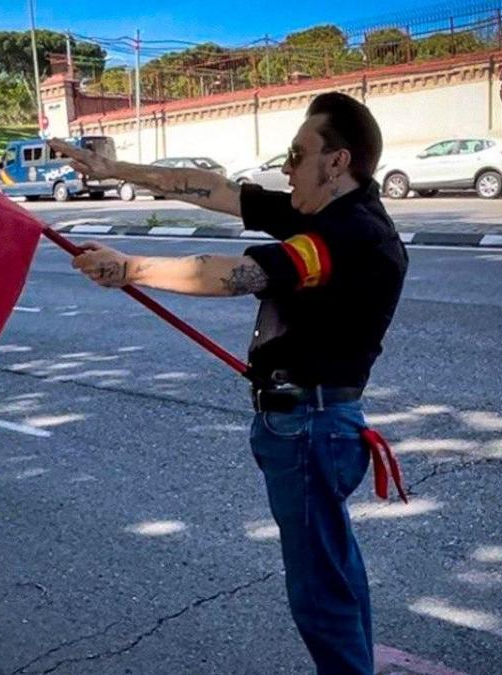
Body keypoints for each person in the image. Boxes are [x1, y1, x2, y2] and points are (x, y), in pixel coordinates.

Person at [48, 92, 407, 674]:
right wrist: (117, 171)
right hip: (312, 424)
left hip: (311, 429)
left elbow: (240, 275)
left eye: (298, 153)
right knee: (334, 574)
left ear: (337, 162)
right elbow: (214, 189)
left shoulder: (347, 236)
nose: (287, 167)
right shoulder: (321, 211)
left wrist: (130, 268)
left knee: (321, 596)